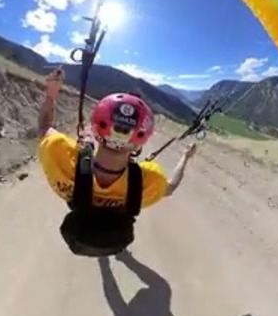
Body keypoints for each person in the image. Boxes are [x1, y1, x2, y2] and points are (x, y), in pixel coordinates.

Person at [37, 67, 197, 213]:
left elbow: (44, 127)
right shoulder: (150, 180)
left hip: (78, 232)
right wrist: (185, 157)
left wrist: (51, 93)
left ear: (95, 130)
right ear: (138, 145)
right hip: (112, 241)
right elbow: (170, 187)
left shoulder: (57, 151)